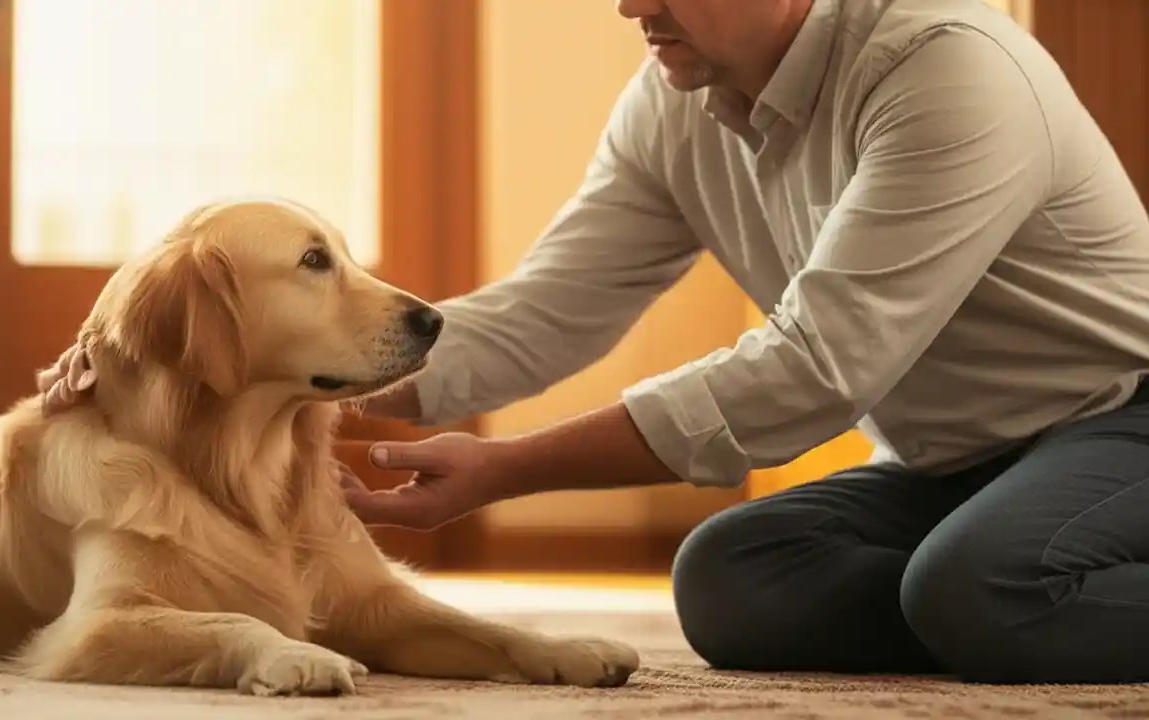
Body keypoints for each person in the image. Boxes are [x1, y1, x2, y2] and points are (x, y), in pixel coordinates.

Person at [337, 0, 1149, 685]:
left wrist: (507, 469)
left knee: (978, 587)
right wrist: (298, 369)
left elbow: (813, 370)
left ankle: (982, 601)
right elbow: (543, 312)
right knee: (733, 580)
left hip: (1122, 417)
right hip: (953, 463)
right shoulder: (673, 101)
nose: (630, 5)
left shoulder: (947, 68)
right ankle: (994, 607)